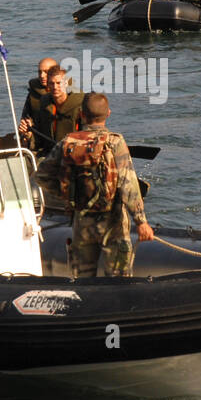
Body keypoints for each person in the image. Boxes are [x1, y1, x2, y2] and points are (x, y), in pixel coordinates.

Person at [34, 92, 153, 277]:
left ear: (81, 115)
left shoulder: (68, 141)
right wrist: (141, 222)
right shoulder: (115, 141)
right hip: (113, 224)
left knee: (83, 279)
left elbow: (41, 175)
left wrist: (67, 195)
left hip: (82, 223)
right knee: (118, 279)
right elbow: (128, 184)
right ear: (108, 114)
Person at [31, 65, 85, 150]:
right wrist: (29, 134)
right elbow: (39, 136)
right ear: (47, 84)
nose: (55, 87)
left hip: (73, 152)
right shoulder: (44, 104)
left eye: (59, 83)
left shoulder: (80, 105)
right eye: (51, 83)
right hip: (50, 152)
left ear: (66, 83)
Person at [17, 56, 58, 150]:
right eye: (39, 72)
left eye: (46, 72)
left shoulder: (64, 94)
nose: (42, 75)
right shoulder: (33, 94)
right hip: (37, 139)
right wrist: (25, 129)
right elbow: (26, 117)